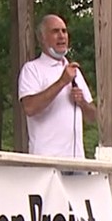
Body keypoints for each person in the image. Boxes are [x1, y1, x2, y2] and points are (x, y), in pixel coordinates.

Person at [18, 15, 96, 158]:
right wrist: (61, 82)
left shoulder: (74, 71)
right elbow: (29, 108)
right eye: (55, 31)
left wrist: (82, 103)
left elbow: (93, 117)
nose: (61, 36)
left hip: (77, 161)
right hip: (47, 161)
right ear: (42, 38)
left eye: (64, 31)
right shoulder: (32, 69)